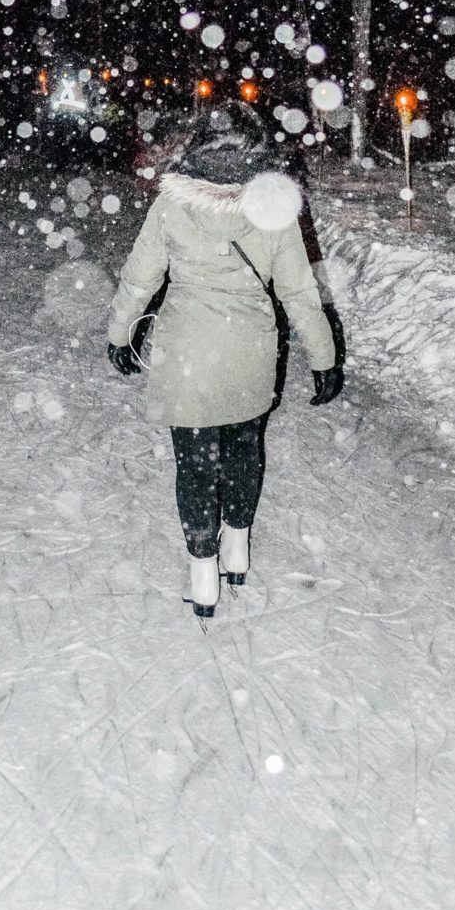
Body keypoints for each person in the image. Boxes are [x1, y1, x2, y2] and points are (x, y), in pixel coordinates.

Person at [105, 105, 342, 620]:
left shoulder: (171, 204)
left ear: (197, 148)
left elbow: (140, 276)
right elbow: (300, 292)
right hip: (250, 351)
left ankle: (203, 577)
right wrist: (324, 357)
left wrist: (119, 332)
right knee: (242, 449)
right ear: (258, 150)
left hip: (186, 354)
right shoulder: (273, 209)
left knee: (194, 467)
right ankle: (237, 548)